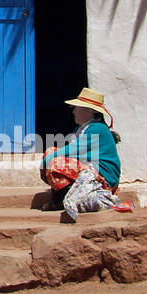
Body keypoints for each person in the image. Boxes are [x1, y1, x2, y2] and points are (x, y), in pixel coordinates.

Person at [40, 88, 133, 222]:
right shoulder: (81, 129)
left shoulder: (97, 129)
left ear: (89, 111)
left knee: (55, 162)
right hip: (88, 170)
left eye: (76, 108)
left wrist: (48, 160)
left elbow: (75, 149)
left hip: (103, 177)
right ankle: (61, 197)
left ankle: (75, 197)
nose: (73, 112)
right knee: (51, 153)